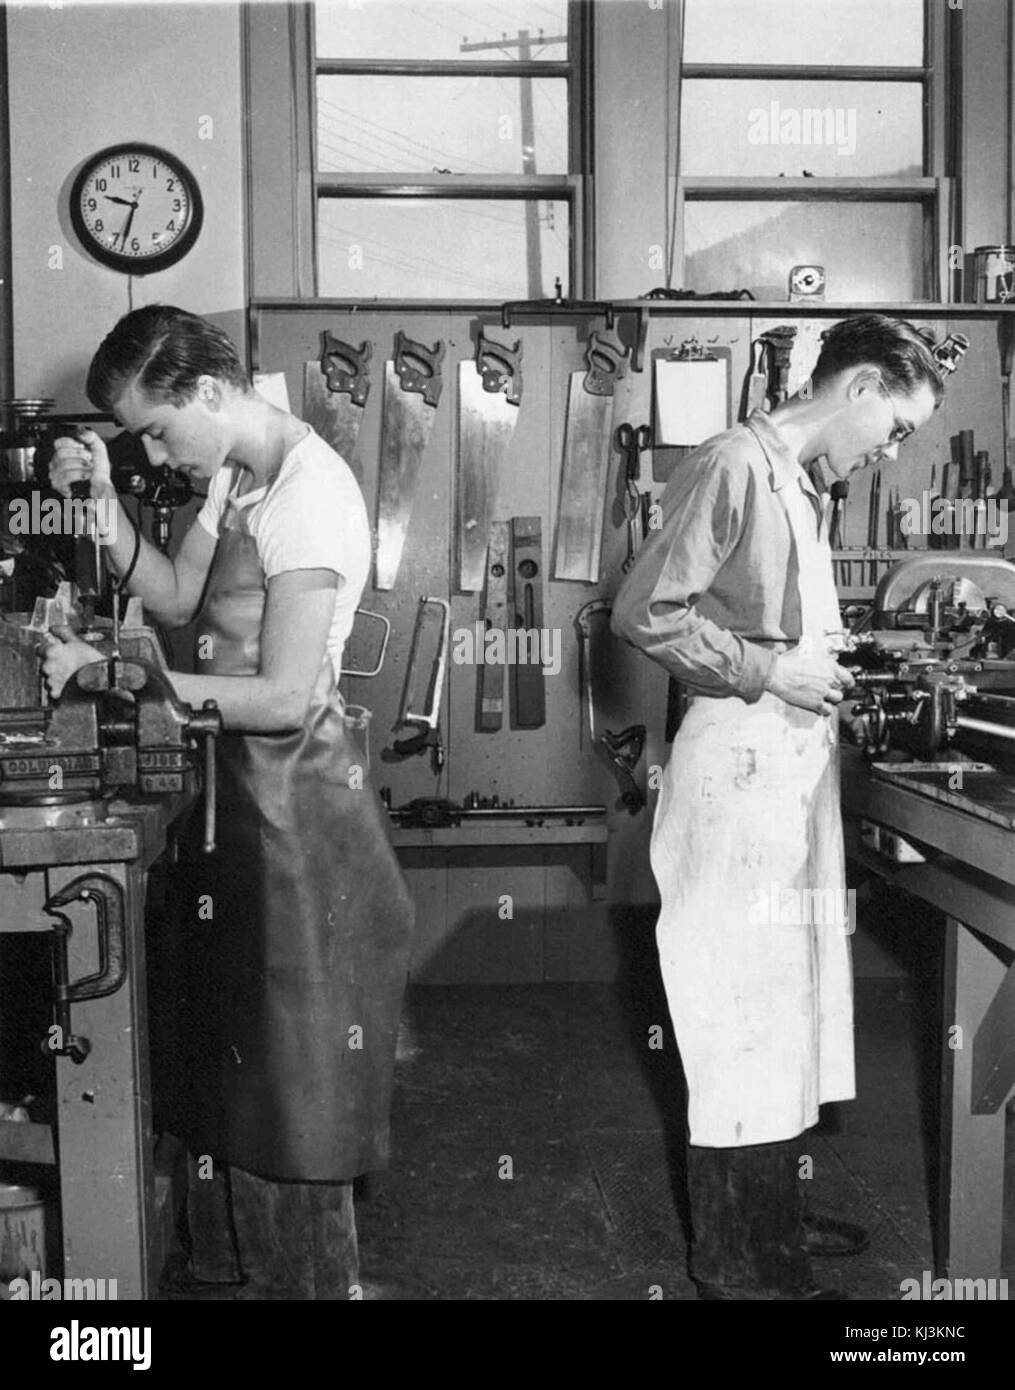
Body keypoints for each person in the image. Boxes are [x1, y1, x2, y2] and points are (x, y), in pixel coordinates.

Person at [43, 305, 414, 1299]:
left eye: (158, 430)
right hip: (234, 798)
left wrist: (121, 679)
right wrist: (104, 511)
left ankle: (312, 1283)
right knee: (232, 1071)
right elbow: (170, 598)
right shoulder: (234, 475)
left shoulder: (307, 493)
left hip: (298, 804)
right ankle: (236, 1272)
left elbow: (287, 693)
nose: (155, 454)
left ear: (208, 391)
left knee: (297, 1090)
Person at [612, 314, 946, 1301]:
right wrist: (769, 671)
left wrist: (824, 666)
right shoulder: (733, 464)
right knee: (734, 1026)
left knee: (782, 1020)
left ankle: (767, 1231)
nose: (889, 450)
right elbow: (645, 611)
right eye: (892, 427)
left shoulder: (803, 484)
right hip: (735, 775)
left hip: (787, 777)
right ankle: (740, 1268)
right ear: (854, 389)